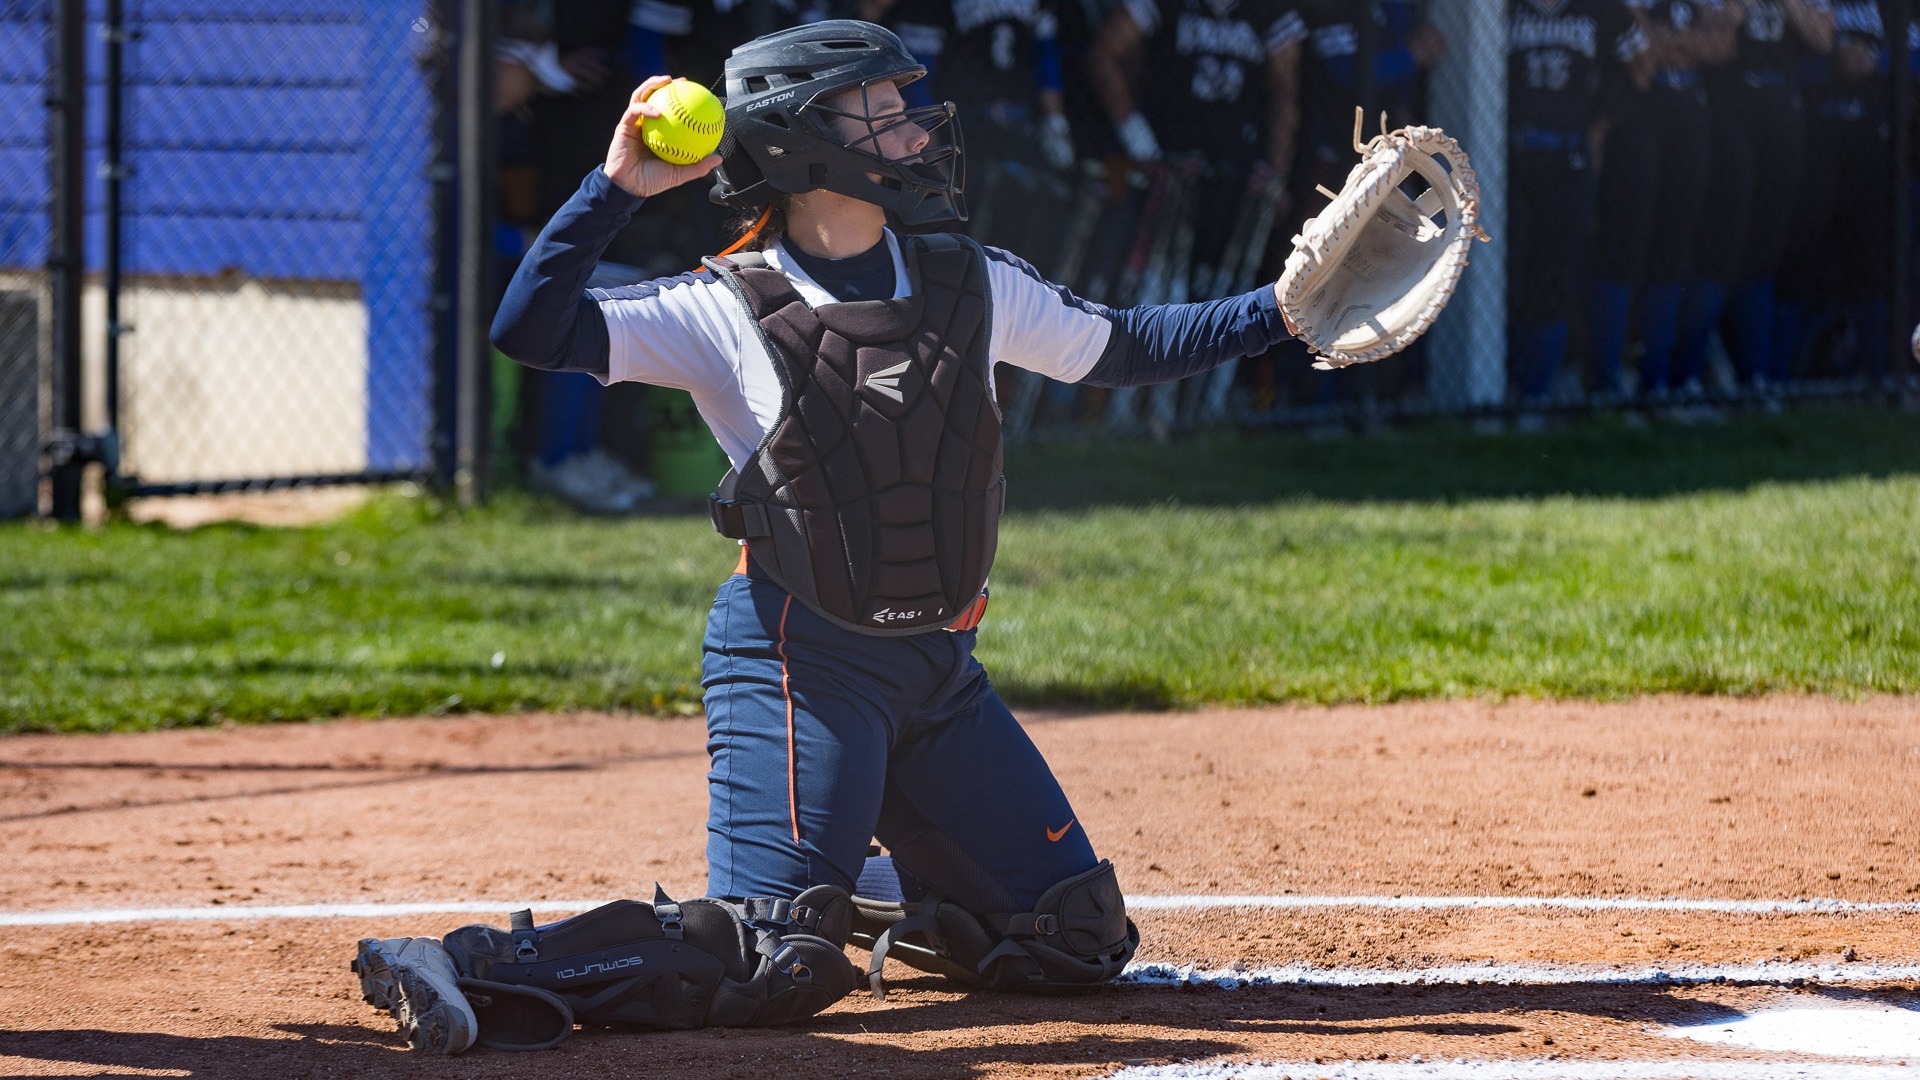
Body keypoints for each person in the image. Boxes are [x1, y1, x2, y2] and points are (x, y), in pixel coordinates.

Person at [349, 19, 1309, 1054]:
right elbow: (531, 330)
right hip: (803, 664)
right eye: (882, 112)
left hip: (939, 673)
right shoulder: (728, 305)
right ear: (807, 137)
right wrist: (618, 187)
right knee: (774, 960)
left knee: (1071, 937)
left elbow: (1124, 346)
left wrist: (1286, 309)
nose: (913, 130)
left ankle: (865, 885)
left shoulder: (966, 279)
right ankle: (470, 962)